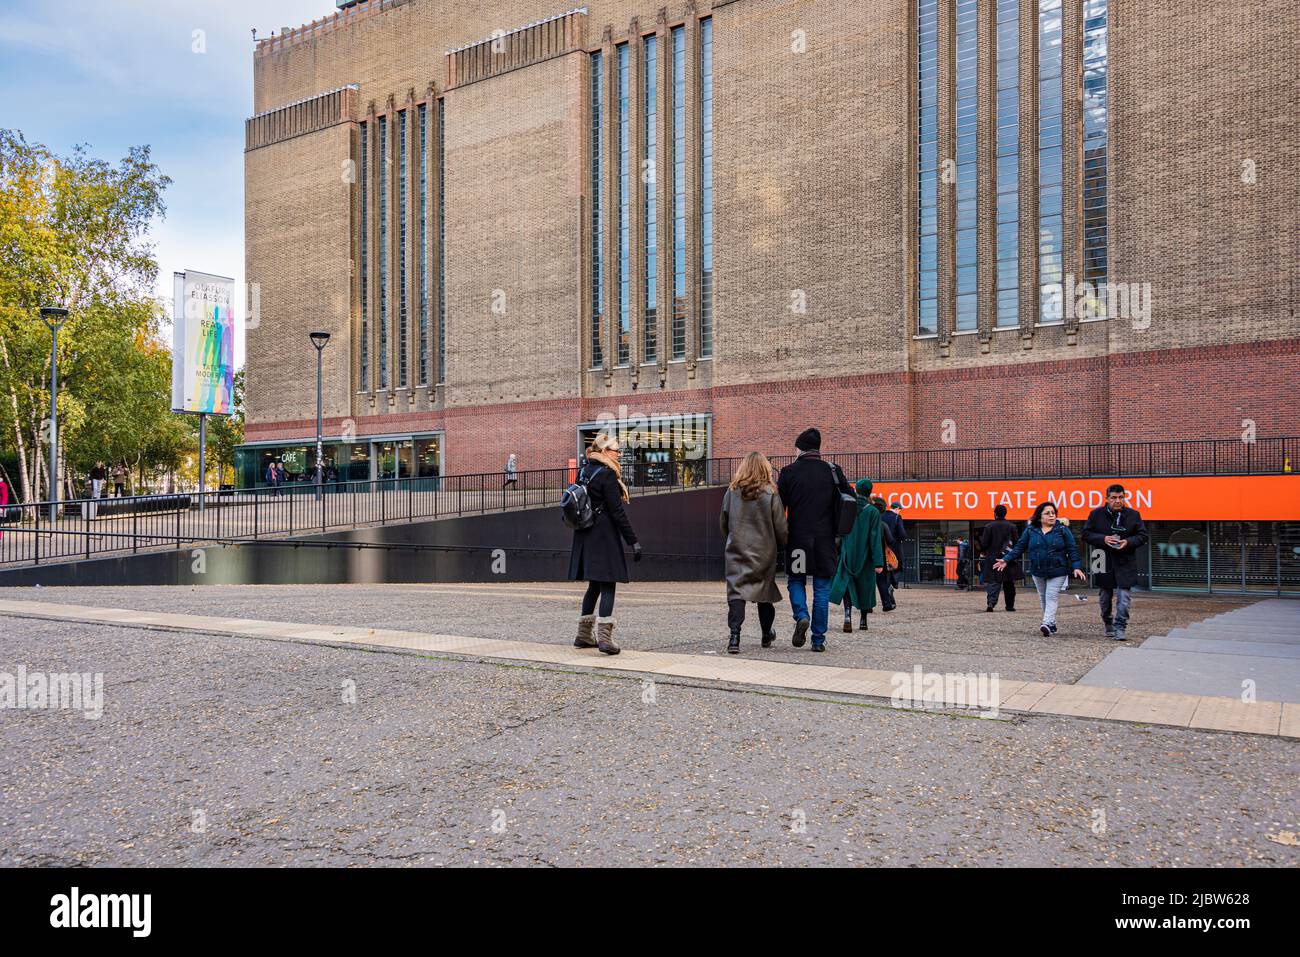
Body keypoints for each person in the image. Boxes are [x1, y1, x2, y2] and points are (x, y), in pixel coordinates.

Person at [776, 427, 854, 652]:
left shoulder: (789, 472)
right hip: (824, 541)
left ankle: (801, 615)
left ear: (799, 449)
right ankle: (818, 640)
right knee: (821, 587)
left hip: (798, 540)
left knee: (796, 580)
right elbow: (851, 499)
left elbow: (778, 507)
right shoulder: (832, 471)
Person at [568, 432, 641, 655]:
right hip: (604, 534)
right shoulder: (607, 474)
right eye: (616, 450)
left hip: (585, 533)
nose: (619, 454)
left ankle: (583, 635)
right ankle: (605, 639)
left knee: (594, 585)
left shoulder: (584, 470)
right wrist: (633, 541)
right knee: (608, 583)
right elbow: (617, 511)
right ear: (604, 451)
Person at [719, 452, 787, 654]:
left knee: (736, 593)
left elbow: (724, 520)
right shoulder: (771, 493)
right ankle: (766, 634)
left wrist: (732, 537)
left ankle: (734, 637)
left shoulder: (731, 492)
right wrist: (782, 544)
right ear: (764, 468)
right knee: (764, 593)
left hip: (737, 550)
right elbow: (780, 526)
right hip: (764, 552)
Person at [995, 501, 1086, 637]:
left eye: (1053, 513)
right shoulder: (1031, 530)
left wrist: (1076, 567)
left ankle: (1046, 623)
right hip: (1038, 570)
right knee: (1043, 598)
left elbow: (1072, 548)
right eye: (1047, 513)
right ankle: (1051, 624)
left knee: (1051, 596)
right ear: (1039, 517)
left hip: (1058, 569)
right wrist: (1006, 559)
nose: (1051, 515)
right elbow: (1020, 547)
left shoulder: (1062, 529)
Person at [1083, 483, 1149, 641]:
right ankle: (1108, 622)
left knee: (1124, 596)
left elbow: (1143, 536)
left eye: (1120, 497)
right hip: (1101, 558)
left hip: (1125, 560)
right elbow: (1086, 534)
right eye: (1113, 498)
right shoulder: (1096, 514)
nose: (1117, 501)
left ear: (1124, 498)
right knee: (1105, 596)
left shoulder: (1134, 515)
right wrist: (1103, 539)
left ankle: (1120, 626)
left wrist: (1129, 542)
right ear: (1106, 499)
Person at [830, 480, 885, 633]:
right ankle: (863, 620)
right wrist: (878, 562)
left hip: (848, 553)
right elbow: (875, 539)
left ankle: (847, 615)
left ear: (857, 490)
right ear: (870, 491)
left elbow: (840, 531)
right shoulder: (873, 512)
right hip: (865, 556)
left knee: (847, 585)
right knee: (865, 588)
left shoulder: (848, 508)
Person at [980, 504, 1019, 611]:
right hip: (1008, 559)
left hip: (993, 559)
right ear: (1005, 513)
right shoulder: (1012, 527)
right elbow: (1017, 544)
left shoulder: (989, 526)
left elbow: (984, 544)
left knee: (993, 582)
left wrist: (985, 551)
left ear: (995, 514)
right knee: (1009, 583)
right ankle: (1010, 606)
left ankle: (991, 603)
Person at [870, 495, 897, 612]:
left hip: (867, 557)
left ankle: (867, 606)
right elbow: (890, 540)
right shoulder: (882, 525)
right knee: (882, 582)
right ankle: (886, 603)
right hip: (880, 557)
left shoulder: (867, 523)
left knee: (868, 582)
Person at [883, 501, 906, 595]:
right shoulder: (897, 517)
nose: (900, 511)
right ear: (896, 508)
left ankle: (888, 584)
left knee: (885, 566)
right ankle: (894, 583)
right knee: (899, 564)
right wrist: (902, 538)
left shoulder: (882, 515)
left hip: (882, 545)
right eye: (900, 509)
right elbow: (902, 534)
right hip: (894, 545)